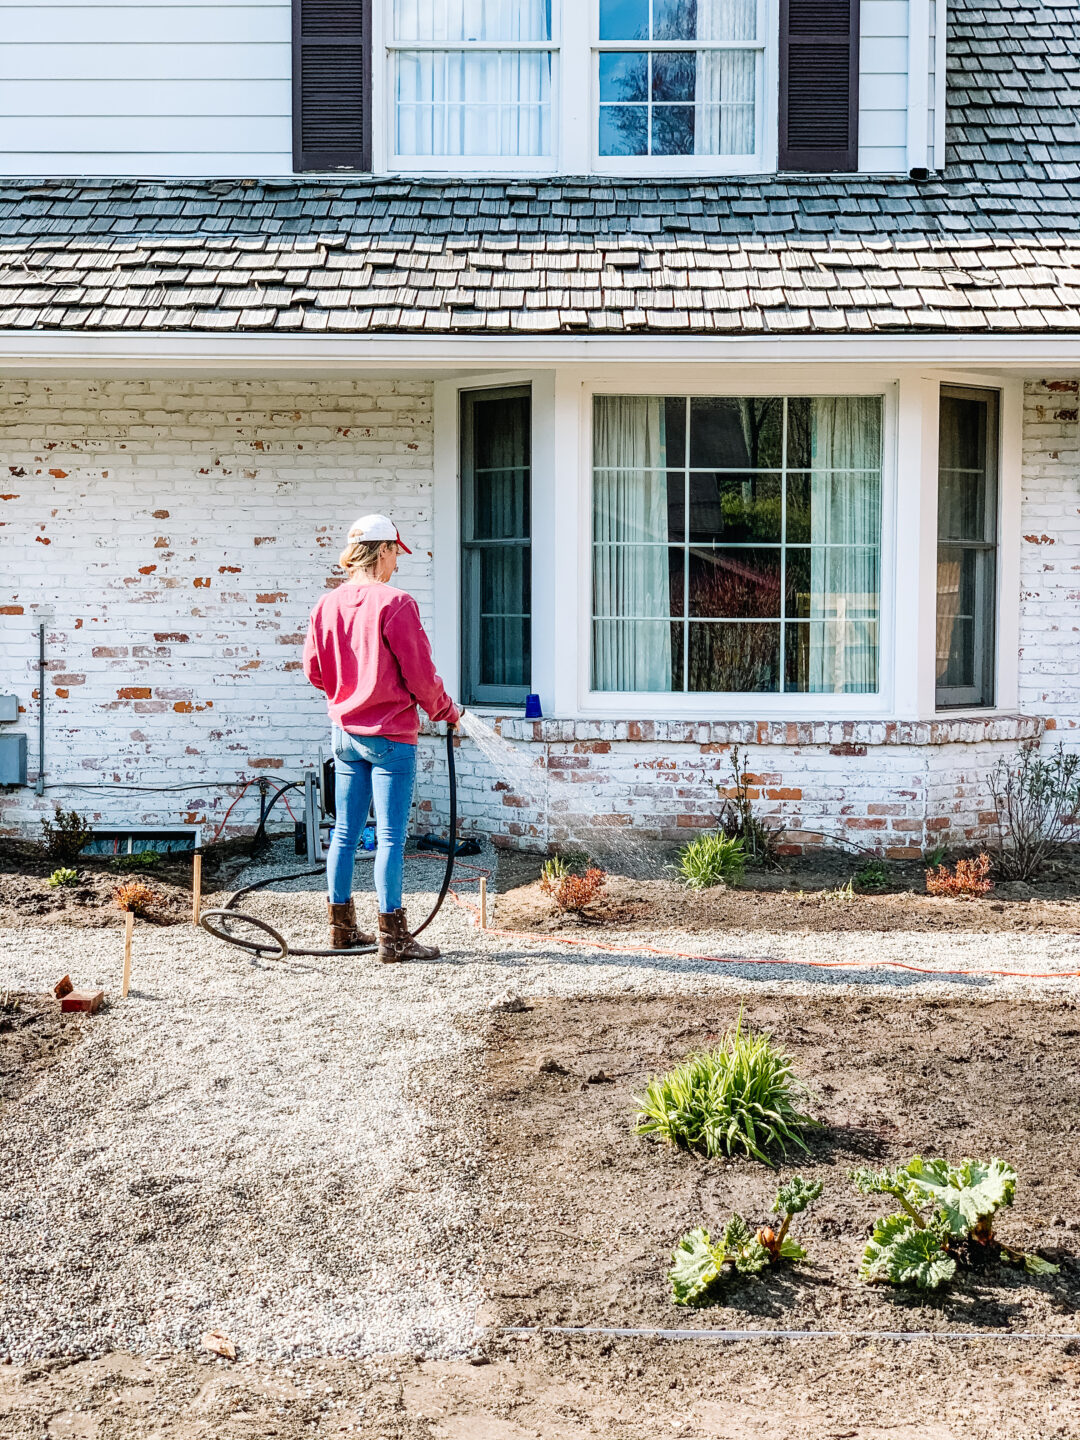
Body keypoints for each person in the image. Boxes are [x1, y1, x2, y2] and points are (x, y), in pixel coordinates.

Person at [303, 514, 460, 961]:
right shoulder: (396, 604)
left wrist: (348, 694)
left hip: (345, 733)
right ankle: (393, 939)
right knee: (391, 837)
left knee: (345, 833)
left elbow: (315, 671)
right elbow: (420, 676)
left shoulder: (325, 605)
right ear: (384, 550)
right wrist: (447, 711)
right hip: (391, 736)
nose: (397, 563)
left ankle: (342, 930)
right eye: (396, 553)